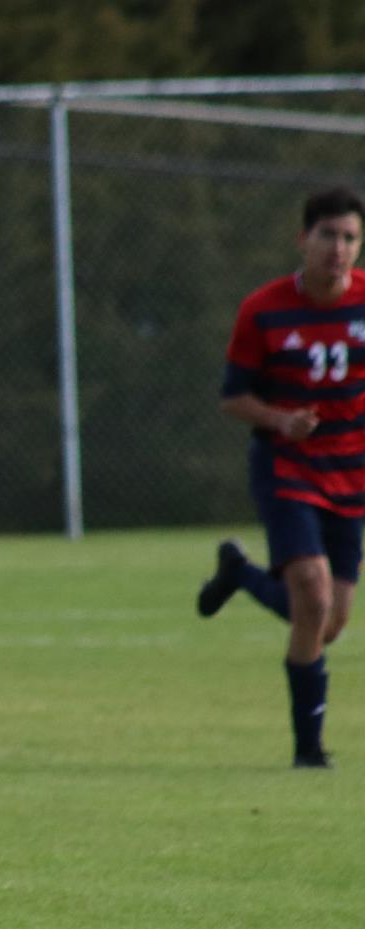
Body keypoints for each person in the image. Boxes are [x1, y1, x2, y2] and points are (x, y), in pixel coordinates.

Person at [197, 186, 365, 768]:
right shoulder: (263, 310)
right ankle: (308, 752)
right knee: (313, 594)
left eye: (349, 238)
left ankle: (240, 573)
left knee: (330, 622)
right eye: (327, 236)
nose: (338, 249)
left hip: (351, 472)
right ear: (303, 239)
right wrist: (280, 421)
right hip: (287, 467)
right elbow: (232, 398)